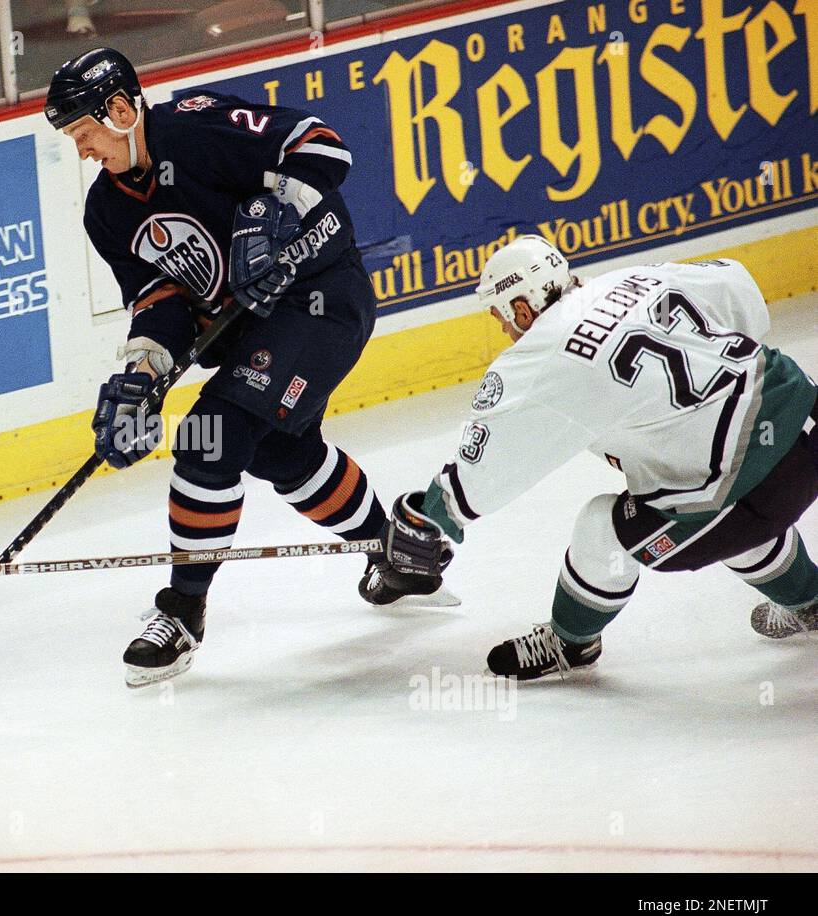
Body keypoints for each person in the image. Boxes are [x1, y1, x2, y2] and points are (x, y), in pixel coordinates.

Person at [46, 47, 406, 688]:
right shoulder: (106, 212)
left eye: (85, 133)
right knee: (279, 454)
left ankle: (182, 612)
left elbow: (323, 145)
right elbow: (160, 300)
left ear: (122, 109)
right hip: (249, 331)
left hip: (318, 301)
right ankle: (397, 551)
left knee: (206, 439)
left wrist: (272, 212)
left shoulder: (196, 124)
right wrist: (143, 375)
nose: (82, 151)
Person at [370, 235, 818, 680]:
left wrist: (427, 519)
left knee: (605, 525)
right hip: (803, 423)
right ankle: (811, 602)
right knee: (708, 500)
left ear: (521, 309)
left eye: (502, 318)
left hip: (744, 490)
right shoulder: (631, 279)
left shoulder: (538, 358)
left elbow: (480, 475)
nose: (506, 330)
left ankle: (570, 641)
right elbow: (740, 290)